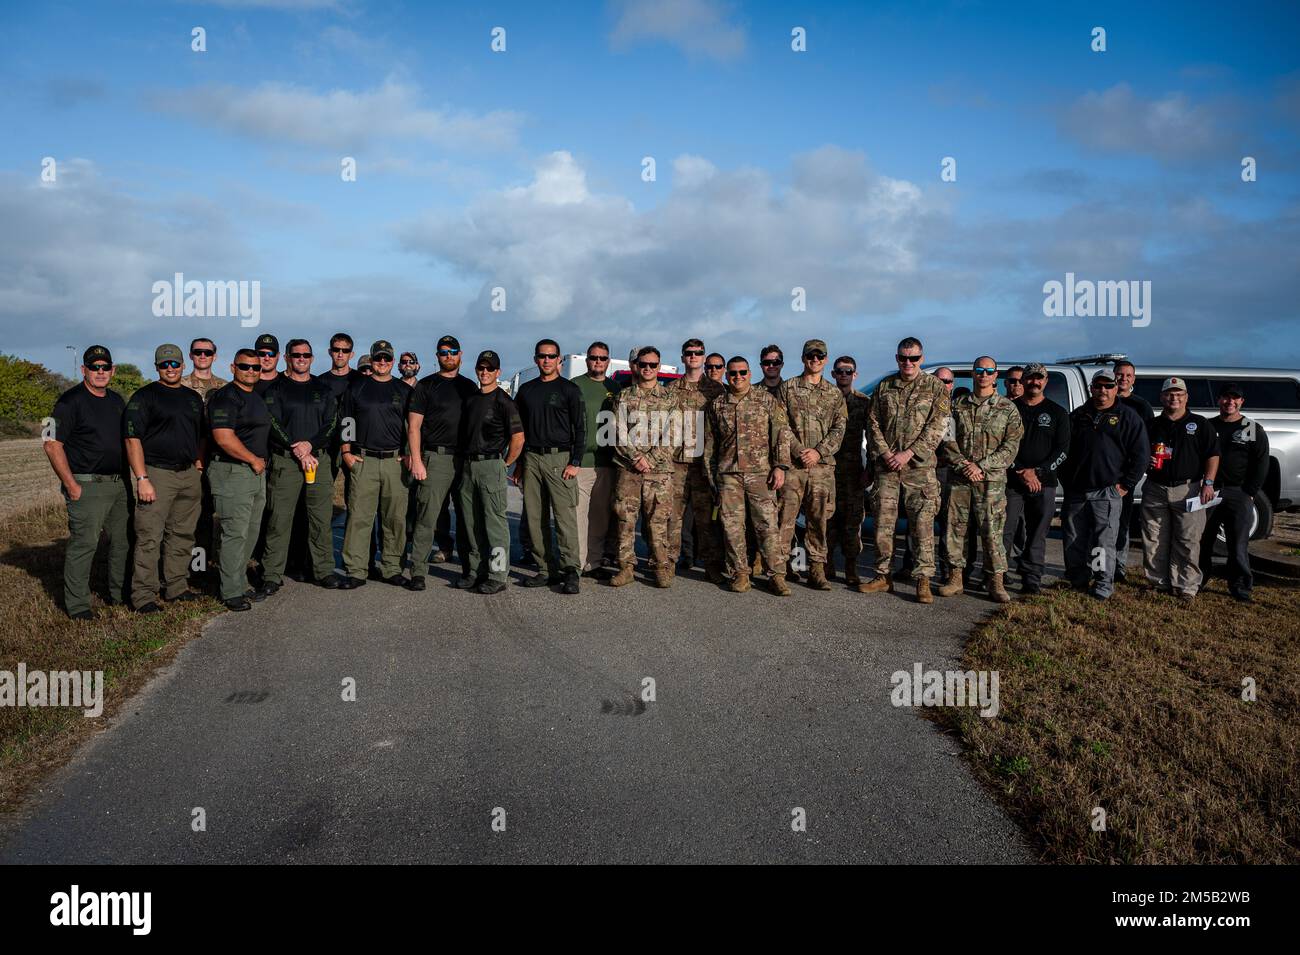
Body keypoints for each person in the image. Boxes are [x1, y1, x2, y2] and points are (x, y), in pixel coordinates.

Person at [861, 337, 951, 603]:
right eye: (903, 358)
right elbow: (873, 423)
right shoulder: (885, 386)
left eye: (913, 358)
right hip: (887, 467)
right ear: (897, 358)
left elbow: (938, 427)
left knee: (922, 526)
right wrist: (886, 453)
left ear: (921, 358)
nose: (908, 362)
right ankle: (882, 576)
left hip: (918, 469)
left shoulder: (935, 388)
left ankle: (923, 580)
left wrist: (908, 453)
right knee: (883, 524)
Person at [44, 346, 129, 620]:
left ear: (113, 371)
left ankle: (119, 594)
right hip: (87, 485)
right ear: (84, 370)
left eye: (105, 367)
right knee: (85, 545)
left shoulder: (117, 400)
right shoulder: (68, 401)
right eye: (94, 367)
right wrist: (71, 485)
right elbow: (50, 443)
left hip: (118, 484)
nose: (100, 372)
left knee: (123, 542)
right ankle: (78, 605)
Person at [124, 344, 206, 612]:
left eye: (174, 364)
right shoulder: (144, 397)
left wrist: (198, 464)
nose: (170, 369)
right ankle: (143, 596)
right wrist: (142, 478)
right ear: (156, 367)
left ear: (183, 365)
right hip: (157, 474)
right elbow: (132, 439)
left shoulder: (193, 398)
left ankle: (176, 587)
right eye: (164, 364)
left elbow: (201, 435)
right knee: (150, 536)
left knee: (182, 534)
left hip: (188, 474)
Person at [935, 358, 1024, 603]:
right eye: (979, 371)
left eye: (988, 371)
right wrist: (964, 465)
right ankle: (955, 578)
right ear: (973, 374)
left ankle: (995, 581)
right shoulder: (957, 406)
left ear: (995, 376)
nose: (984, 375)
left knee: (992, 532)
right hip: (960, 480)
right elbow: (947, 438)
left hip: (991, 482)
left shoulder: (1007, 408)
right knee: (956, 529)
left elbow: (1011, 446)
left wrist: (981, 466)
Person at [704, 356, 792, 595]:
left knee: (767, 526)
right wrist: (713, 479)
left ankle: (776, 575)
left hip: (760, 474)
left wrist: (780, 467)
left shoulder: (766, 400)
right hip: (729, 475)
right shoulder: (717, 405)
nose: (738, 377)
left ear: (750, 374)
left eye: (742, 372)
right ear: (727, 376)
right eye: (733, 373)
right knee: (732, 527)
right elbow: (710, 445)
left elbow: (781, 435)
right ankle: (740, 573)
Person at [1058, 369, 1147, 601]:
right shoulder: (1078, 416)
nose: (1103, 390)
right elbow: (1062, 452)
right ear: (1091, 389)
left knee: (1102, 542)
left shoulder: (1128, 417)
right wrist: (1067, 482)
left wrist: (1125, 485)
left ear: (1116, 388)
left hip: (1106, 492)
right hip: (1076, 492)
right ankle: (1077, 578)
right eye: (1098, 386)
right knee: (1073, 539)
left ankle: (1102, 583)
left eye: (1108, 386)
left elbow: (1141, 456)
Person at [261, 340, 339, 592]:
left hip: (318, 460)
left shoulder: (323, 389)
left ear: (312, 358)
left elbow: (332, 423)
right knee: (279, 519)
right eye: (296, 355)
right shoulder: (275, 389)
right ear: (287, 357)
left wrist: (310, 445)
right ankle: (272, 575)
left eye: (306, 355)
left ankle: (323, 571)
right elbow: (272, 422)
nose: (301, 358)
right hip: (286, 461)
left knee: (320, 518)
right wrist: (296, 447)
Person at [512, 339, 585, 593]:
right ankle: (546, 569)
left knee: (565, 519)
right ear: (535, 359)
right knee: (535, 518)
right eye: (542, 356)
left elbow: (581, 428)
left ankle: (571, 571)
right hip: (531, 459)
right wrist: (519, 465)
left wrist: (575, 462)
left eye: (551, 356)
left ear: (559, 360)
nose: (547, 360)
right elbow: (518, 430)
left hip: (560, 459)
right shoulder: (526, 390)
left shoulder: (569, 389)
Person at [406, 335, 478, 591]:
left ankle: (471, 570)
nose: (449, 356)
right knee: (427, 517)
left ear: (461, 355)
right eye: (444, 352)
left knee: (467, 518)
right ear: (437, 356)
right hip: (435, 458)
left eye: (453, 351)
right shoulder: (426, 386)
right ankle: (418, 571)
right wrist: (417, 460)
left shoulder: (469, 387)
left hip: (465, 460)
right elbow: (413, 427)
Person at [337, 340, 411, 589]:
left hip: (394, 462)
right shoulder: (357, 388)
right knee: (359, 517)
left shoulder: (403, 390)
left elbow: (413, 426)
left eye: (386, 358)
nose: (382, 362)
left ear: (392, 361)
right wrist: (346, 452)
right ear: (371, 360)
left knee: (394, 519)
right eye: (378, 358)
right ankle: (356, 570)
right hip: (364, 460)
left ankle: (392, 568)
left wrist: (409, 454)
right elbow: (346, 420)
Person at [774, 339, 847, 590]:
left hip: (821, 467)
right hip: (793, 467)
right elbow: (780, 425)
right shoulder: (788, 388)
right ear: (803, 358)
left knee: (818, 520)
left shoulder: (834, 394)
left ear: (826, 360)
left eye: (820, 356)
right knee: (785, 519)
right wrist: (798, 450)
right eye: (810, 356)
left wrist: (818, 452)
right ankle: (780, 569)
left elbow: (839, 429)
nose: (815, 360)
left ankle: (816, 568)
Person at [207, 349, 273, 611]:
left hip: (255, 473)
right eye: (245, 367)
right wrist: (252, 459)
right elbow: (223, 437)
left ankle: (240, 582)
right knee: (235, 533)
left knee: (250, 532)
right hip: (233, 471)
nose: (251, 371)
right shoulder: (225, 397)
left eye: (256, 368)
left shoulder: (255, 397)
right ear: (233, 367)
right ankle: (231, 591)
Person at [1141, 377, 1219, 600]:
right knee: (1153, 538)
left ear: (1186, 397)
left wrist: (1208, 483)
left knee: (1187, 539)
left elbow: (1213, 455)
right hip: (1155, 487)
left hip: (1189, 488)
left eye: (1178, 394)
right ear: (1161, 397)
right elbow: (1139, 452)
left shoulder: (1200, 424)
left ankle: (1186, 586)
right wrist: (1146, 461)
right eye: (1169, 394)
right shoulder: (1152, 425)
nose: (1173, 398)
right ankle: (1158, 582)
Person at [456, 351, 524, 594]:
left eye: (490, 368)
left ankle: (497, 574)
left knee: (494, 524)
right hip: (468, 466)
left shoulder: (504, 402)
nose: (485, 372)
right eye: (481, 368)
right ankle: (475, 570)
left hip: (491, 465)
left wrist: (505, 463)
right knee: (471, 522)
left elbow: (518, 438)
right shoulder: (472, 399)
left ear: (498, 372)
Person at [610, 347, 676, 588]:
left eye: (653, 364)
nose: (648, 368)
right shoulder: (624, 396)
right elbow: (616, 431)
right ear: (636, 365)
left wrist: (650, 459)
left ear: (659, 366)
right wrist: (636, 458)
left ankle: (660, 567)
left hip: (659, 471)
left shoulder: (669, 398)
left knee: (658, 522)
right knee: (625, 519)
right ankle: (626, 567)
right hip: (629, 469)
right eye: (643, 364)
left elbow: (673, 433)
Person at [1003, 362, 1070, 595]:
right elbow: (1001, 445)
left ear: (1046, 381)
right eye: (1030, 378)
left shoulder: (1058, 413)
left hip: (1044, 483)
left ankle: (1031, 578)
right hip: (1012, 482)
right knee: (1005, 530)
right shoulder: (1009, 409)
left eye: (1039, 378)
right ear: (1023, 381)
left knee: (1037, 533)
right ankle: (999, 574)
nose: (1035, 382)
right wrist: (1021, 471)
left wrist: (1037, 472)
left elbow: (1063, 450)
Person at [1200, 383, 1269, 602]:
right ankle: (1199, 579)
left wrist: (1249, 492)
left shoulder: (1251, 428)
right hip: (1210, 491)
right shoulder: (1208, 426)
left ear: (1241, 402)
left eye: (1235, 398)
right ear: (1218, 400)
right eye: (1225, 397)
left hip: (1238, 493)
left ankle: (1240, 586)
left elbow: (1261, 463)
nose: (1230, 402)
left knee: (1237, 543)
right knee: (1203, 540)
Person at [664, 338, 726, 583]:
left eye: (698, 353)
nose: (693, 356)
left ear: (703, 357)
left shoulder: (716, 390)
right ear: (682, 357)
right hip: (677, 463)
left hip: (703, 465)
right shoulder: (671, 390)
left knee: (706, 520)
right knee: (673, 518)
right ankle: (668, 564)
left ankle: (711, 566)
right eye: (689, 352)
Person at [572, 341, 619, 576]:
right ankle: (576, 564)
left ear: (608, 361)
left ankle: (594, 562)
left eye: (602, 358)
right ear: (587, 360)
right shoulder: (575, 385)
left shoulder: (615, 388)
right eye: (593, 358)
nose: (598, 362)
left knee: (600, 517)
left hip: (607, 462)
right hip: (581, 462)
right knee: (578, 515)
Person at [826, 356, 870, 587]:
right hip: (828, 470)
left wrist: (869, 469)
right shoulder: (825, 400)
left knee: (853, 521)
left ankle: (851, 567)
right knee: (827, 520)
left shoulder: (863, 403)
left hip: (853, 471)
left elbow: (872, 437)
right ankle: (827, 563)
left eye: (848, 371)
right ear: (833, 374)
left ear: (855, 374)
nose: (844, 374)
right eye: (840, 371)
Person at [1113, 359, 1154, 583]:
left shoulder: (1141, 406)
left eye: (1128, 375)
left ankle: (1118, 568)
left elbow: (1149, 439)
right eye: (1120, 374)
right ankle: (1098, 566)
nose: (1123, 378)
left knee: (1122, 524)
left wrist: (1132, 476)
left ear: (1134, 379)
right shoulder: (1102, 401)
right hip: (1103, 473)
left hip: (1126, 476)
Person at [180, 337, 228, 402]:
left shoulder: (225, 387)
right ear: (191, 355)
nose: (202, 356)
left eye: (208, 353)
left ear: (214, 357)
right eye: (197, 352)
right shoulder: (179, 385)